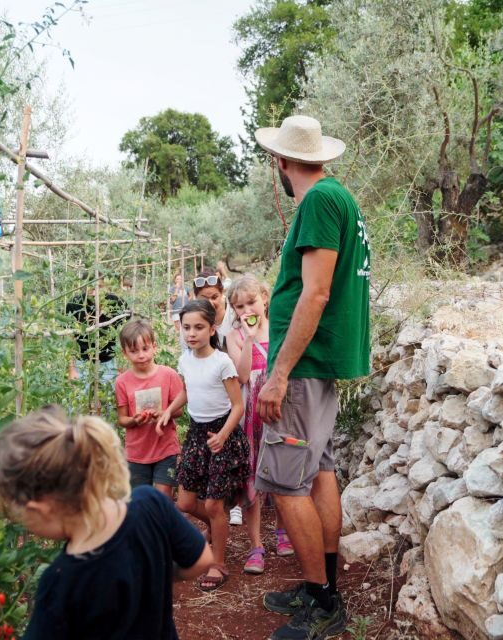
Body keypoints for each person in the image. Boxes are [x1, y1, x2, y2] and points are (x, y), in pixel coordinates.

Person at [253, 114, 371, 640]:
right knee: (319, 471)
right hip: (317, 365)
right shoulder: (338, 198)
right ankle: (320, 588)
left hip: (302, 367)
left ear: (282, 161)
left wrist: (278, 373)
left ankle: (323, 600)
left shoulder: (320, 201)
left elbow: (316, 292)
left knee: (284, 482)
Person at [0, 407, 214, 640]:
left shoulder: (60, 582)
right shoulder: (150, 504)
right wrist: (153, 571)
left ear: (39, 508)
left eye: (22, 518)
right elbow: (203, 559)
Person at [157, 299, 246, 591]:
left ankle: (218, 564)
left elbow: (238, 405)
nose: (191, 333)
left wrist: (223, 435)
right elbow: (186, 390)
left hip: (222, 435)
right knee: (184, 502)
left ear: (212, 328)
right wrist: (170, 410)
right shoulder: (185, 360)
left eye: (198, 327)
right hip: (197, 435)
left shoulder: (222, 362)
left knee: (213, 503)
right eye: (186, 328)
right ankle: (215, 525)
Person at [225, 275, 295, 575]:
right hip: (251, 412)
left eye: (251, 302)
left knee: (280, 468)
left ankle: (282, 530)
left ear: (265, 299)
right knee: (252, 473)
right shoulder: (234, 336)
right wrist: (249, 337)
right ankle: (256, 545)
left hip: (278, 407)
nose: (246, 310)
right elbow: (241, 376)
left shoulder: (280, 328)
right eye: (239, 306)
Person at [115, 319, 183, 498]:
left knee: (164, 497)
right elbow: (122, 419)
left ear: (154, 346)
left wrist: (164, 413)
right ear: (125, 353)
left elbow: (179, 411)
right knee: (140, 500)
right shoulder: (122, 382)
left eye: (145, 349)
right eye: (134, 351)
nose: (141, 355)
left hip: (165, 447)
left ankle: (163, 526)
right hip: (137, 452)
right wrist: (134, 420)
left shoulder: (169, 375)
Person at [66, 280, 129, 388]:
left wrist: (122, 364)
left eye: (99, 286)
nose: (95, 291)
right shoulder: (74, 304)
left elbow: (126, 332)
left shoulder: (116, 302)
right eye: (91, 288)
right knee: (79, 396)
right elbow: (70, 338)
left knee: (112, 399)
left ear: (105, 286)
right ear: (84, 288)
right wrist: (72, 368)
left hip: (109, 361)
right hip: (82, 362)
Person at [192, 268, 236, 351]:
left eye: (214, 297)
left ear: (222, 293)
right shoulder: (190, 317)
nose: (210, 303)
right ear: (195, 297)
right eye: (204, 299)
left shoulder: (234, 310)